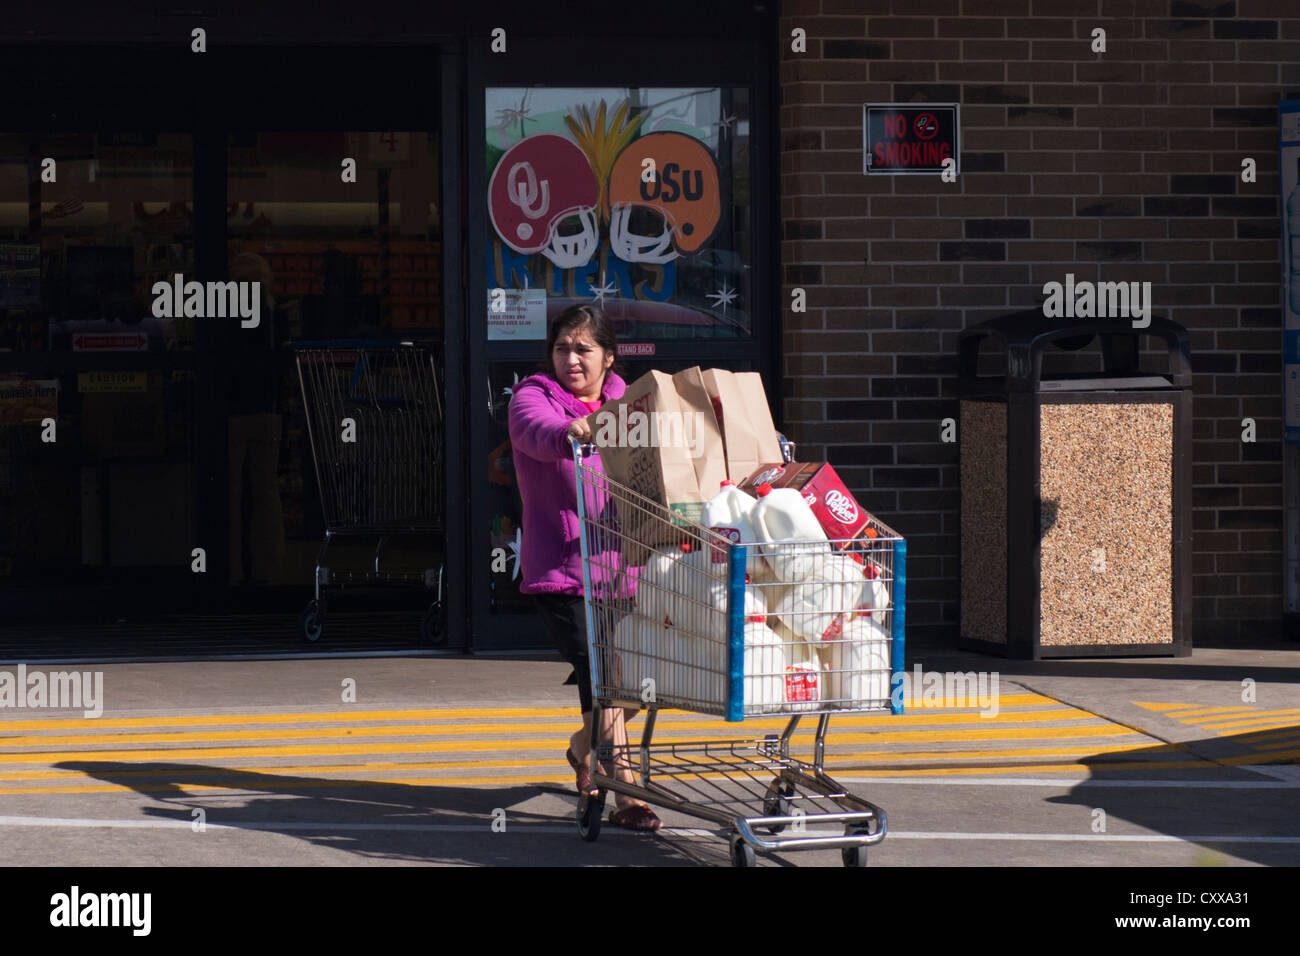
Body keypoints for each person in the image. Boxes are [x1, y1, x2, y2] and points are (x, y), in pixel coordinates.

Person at [507, 303, 662, 831]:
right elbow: (535, 431)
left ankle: (583, 746)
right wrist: (573, 433)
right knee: (605, 680)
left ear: (609, 358)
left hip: (625, 569)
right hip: (563, 572)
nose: (570, 359)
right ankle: (626, 795)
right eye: (561, 348)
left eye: (583, 349)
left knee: (648, 677)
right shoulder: (534, 395)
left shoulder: (632, 402)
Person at [227, 251, 286, 586]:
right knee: (267, 494)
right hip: (266, 410)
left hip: (231, 411)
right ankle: (269, 572)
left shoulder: (226, 313)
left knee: (230, 496)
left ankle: (230, 570)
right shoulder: (272, 313)